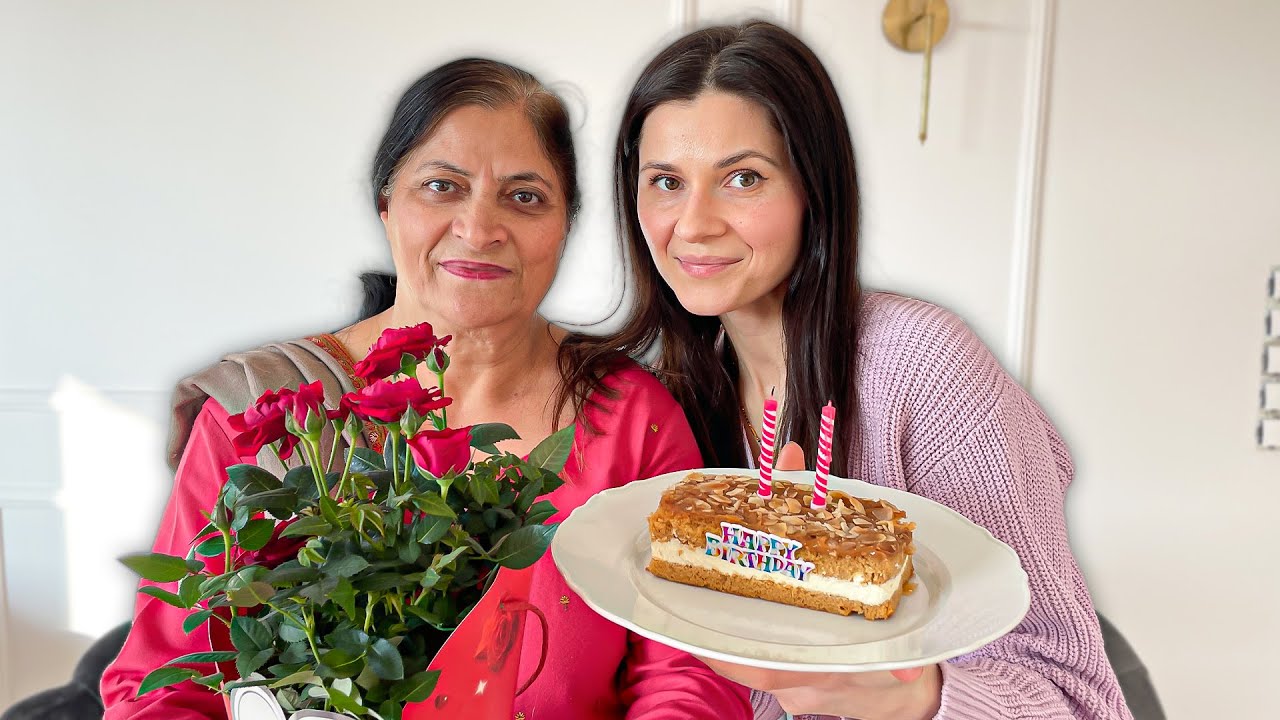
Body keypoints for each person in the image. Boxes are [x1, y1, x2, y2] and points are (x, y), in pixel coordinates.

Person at [100, 58, 751, 719]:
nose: (479, 228)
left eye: (525, 196)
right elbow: (164, 685)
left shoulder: (633, 418)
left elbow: (686, 676)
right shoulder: (267, 409)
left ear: (565, 225)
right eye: (442, 186)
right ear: (387, 204)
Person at [569, 20, 1135, 720]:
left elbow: (1083, 703)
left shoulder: (924, 368)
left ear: (816, 189)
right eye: (666, 182)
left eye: (742, 179)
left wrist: (917, 701)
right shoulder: (664, 400)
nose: (693, 223)